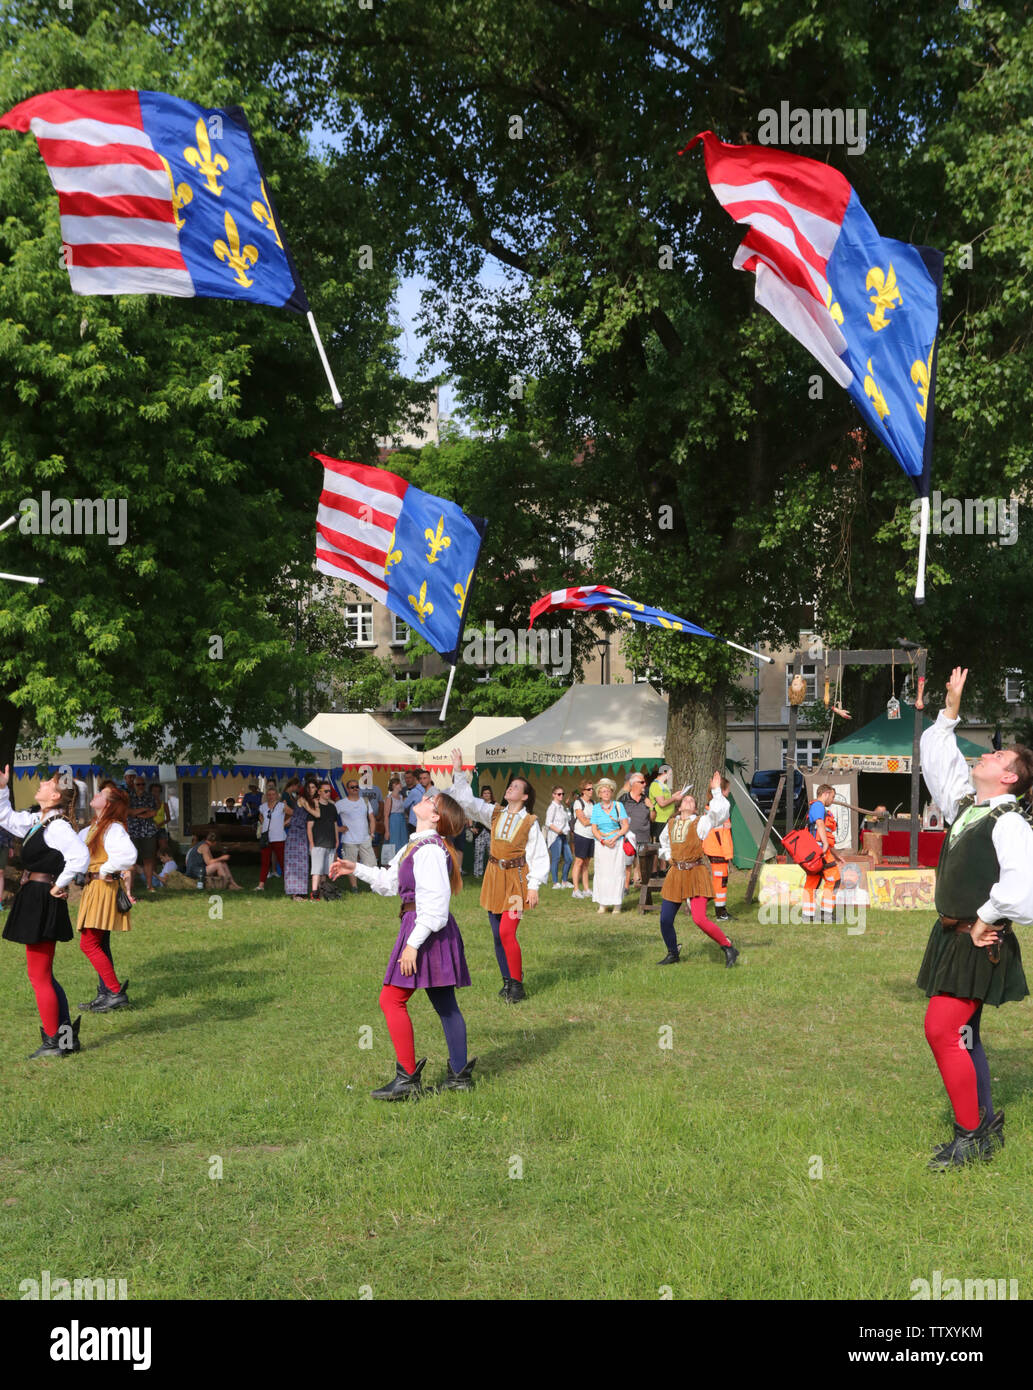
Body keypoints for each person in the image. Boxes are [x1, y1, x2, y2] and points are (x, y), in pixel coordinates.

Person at [916, 666, 1033, 1169]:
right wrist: (950, 709)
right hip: (952, 936)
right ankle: (983, 1128)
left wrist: (985, 917)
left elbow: (1024, 893)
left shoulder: (1010, 823)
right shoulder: (965, 805)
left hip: (979, 940)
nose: (986, 752)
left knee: (942, 1030)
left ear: (1009, 777)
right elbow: (934, 757)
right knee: (965, 1035)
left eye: (999, 754)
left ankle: (969, 1136)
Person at [331, 789, 474, 1098]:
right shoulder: (417, 844)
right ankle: (459, 1075)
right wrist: (355, 868)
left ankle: (408, 1080)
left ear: (435, 816)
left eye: (430, 800)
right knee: (444, 1003)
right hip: (424, 928)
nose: (423, 798)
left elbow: (435, 907)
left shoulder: (432, 851)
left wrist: (412, 945)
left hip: (426, 929)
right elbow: (388, 882)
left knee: (391, 999)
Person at [0, 765, 89, 1058]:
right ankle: (64, 1038)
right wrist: (3, 789)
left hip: (42, 898)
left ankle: (55, 1041)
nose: (40, 783)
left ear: (55, 796)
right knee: (44, 974)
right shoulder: (38, 821)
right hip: (36, 897)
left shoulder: (58, 826)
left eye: (46, 783)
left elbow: (80, 856)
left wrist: (60, 883)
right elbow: (6, 818)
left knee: (39, 975)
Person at [447, 748, 548, 1002]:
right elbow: (465, 801)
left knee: (507, 932)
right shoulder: (495, 813)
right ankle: (506, 981)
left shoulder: (530, 822)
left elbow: (538, 855)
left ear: (524, 796)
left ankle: (517, 985)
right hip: (493, 877)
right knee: (496, 934)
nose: (510, 788)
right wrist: (458, 770)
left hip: (516, 881)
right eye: (510, 785)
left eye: (516, 787)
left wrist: (534, 886)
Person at [658, 776, 739, 967]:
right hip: (675, 874)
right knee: (665, 919)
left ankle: (728, 946)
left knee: (699, 919)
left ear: (695, 809)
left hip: (695, 873)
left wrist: (717, 790)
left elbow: (720, 813)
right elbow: (663, 843)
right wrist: (668, 856)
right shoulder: (670, 824)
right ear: (679, 806)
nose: (688, 800)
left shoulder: (701, 822)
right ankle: (673, 952)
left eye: (692, 801)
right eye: (685, 799)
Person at [76, 783, 137, 1014]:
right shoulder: (95, 826)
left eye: (101, 794)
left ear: (109, 803)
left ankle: (114, 992)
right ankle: (105, 993)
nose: (95, 794)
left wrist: (106, 869)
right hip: (95, 887)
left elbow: (129, 855)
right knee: (101, 943)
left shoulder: (113, 828)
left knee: (89, 943)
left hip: (103, 887)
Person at [802, 783, 841, 923]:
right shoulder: (818, 806)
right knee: (834, 879)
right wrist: (825, 845)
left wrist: (836, 854)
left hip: (815, 851)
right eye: (832, 796)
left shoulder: (815, 806)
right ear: (825, 794)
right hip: (821, 851)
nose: (832, 799)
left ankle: (807, 914)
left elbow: (825, 833)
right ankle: (826, 914)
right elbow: (820, 825)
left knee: (812, 881)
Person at [590, 779, 629, 913]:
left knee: (617, 872)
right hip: (602, 844)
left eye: (608, 791)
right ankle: (603, 903)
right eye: (603, 791)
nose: (606, 793)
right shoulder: (595, 808)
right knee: (602, 872)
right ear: (599, 794)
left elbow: (625, 826)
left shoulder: (618, 806)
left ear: (612, 793)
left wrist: (616, 837)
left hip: (617, 843)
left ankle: (617, 904)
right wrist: (602, 840)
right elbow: (594, 828)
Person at [335, 778, 377, 891]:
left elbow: (372, 819)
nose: (355, 789)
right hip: (349, 840)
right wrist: (338, 828)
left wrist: (372, 834)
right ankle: (354, 888)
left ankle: (374, 887)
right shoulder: (341, 804)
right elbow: (329, 819)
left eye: (356, 787)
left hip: (365, 839)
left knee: (372, 864)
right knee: (350, 864)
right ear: (347, 789)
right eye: (352, 787)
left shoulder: (365, 801)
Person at [702, 776, 735, 922]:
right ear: (722, 791)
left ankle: (720, 909)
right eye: (727, 789)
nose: (729, 791)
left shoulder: (714, 806)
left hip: (717, 847)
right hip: (716, 848)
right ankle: (719, 912)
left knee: (720, 880)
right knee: (719, 881)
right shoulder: (716, 807)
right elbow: (715, 826)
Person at [282, 776, 316, 901]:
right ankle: (295, 894)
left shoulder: (311, 800)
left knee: (303, 863)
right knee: (294, 863)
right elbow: (314, 813)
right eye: (309, 788)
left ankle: (300, 892)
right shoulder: (303, 800)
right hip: (296, 833)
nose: (311, 790)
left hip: (304, 834)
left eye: (313, 787)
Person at [126, 773, 159, 895]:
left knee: (148, 859)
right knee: (131, 860)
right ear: (133, 785)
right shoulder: (128, 796)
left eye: (143, 784)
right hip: (133, 831)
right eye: (138, 784)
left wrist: (137, 813)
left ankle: (149, 886)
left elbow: (153, 813)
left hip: (148, 831)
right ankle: (131, 886)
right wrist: (143, 810)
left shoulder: (150, 796)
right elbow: (129, 812)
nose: (141, 786)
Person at [309, 781, 341, 898]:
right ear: (319, 792)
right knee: (316, 870)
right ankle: (314, 893)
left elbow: (335, 824)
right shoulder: (314, 807)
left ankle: (323, 892)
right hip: (318, 843)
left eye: (330, 791)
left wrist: (337, 839)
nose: (328, 793)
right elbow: (309, 827)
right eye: (326, 791)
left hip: (330, 842)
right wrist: (312, 843)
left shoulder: (332, 807)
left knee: (325, 871)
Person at [622, 771, 654, 890]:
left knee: (641, 863)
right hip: (628, 836)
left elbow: (652, 818)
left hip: (643, 835)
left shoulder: (646, 799)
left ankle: (640, 885)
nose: (645, 784)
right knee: (627, 863)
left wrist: (651, 807)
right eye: (642, 782)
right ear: (634, 784)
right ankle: (625, 887)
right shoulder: (623, 799)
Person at [255, 785, 288, 891]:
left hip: (279, 837)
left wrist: (284, 823)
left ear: (277, 796)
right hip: (266, 838)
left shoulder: (282, 805)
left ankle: (288, 884)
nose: (271, 796)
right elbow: (260, 816)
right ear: (266, 796)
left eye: (273, 794)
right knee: (265, 862)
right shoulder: (263, 806)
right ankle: (261, 885)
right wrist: (262, 822)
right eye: (269, 794)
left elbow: (294, 814)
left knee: (282, 862)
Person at [545, 786, 574, 888]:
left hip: (563, 836)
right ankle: (555, 882)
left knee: (569, 858)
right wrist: (559, 831)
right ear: (554, 795)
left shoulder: (561, 807)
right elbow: (548, 823)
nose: (561, 795)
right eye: (559, 794)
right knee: (556, 859)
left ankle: (564, 881)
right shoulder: (552, 807)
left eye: (562, 793)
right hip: (555, 836)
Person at [570, 781, 595, 899]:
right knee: (579, 861)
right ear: (583, 791)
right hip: (581, 835)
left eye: (592, 789)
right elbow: (584, 821)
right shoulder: (578, 803)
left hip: (591, 836)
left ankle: (586, 889)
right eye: (589, 789)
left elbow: (590, 819)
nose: (591, 791)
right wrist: (595, 819)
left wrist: (593, 819)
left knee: (586, 863)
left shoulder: (593, 803)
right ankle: (575, 889)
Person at [386, 776, 408, 857]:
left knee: (403, 842)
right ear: (394, 785)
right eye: (399, 784)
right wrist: (387, 831)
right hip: (393, 821)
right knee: (394, 842)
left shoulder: (401, 797)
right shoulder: (389, 798)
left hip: (402, 820)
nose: (401, 785)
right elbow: (386, 815)